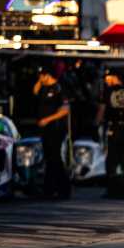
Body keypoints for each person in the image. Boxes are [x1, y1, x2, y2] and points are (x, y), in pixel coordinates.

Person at [98, 70, 124, 192]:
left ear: (113, 77)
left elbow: (101, 110)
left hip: (113, 128)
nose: (106, 81)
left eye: (107, 78)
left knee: (112, 159)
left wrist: (95, 124)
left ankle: (112, 187)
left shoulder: (108, 92)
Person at [34, 68, 71, 200]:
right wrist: (40, 81)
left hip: (55, 128)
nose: (40, 79)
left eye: (41, 76)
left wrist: (48, 119)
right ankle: (49, 189)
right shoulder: (43, 88)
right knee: (49, 159)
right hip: (45, 129)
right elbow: (35, 91)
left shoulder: (59, 88)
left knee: (55, 158)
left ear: (47, 75)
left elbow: (65, 110)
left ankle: (63, 188)